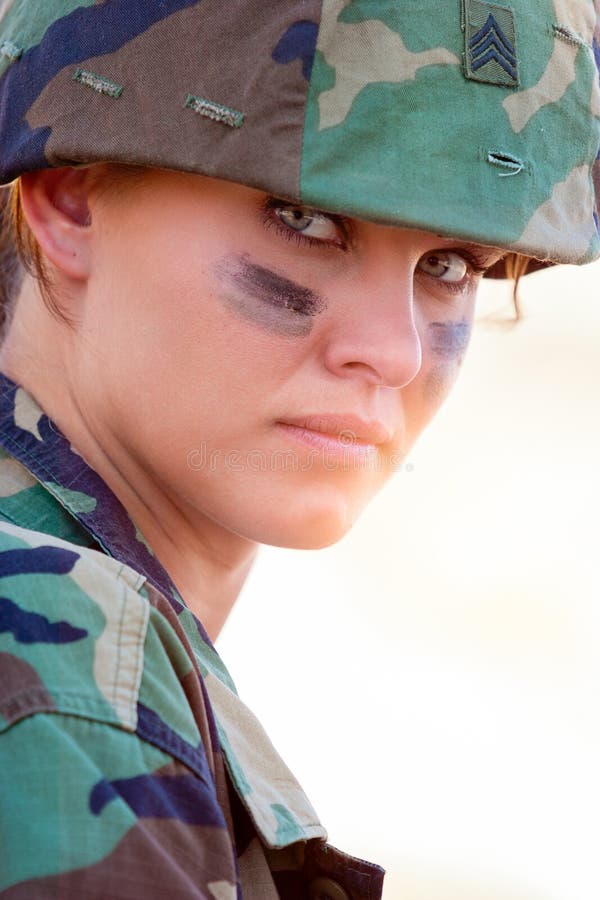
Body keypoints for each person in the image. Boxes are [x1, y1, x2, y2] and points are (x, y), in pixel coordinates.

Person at [0, 1, 598, 897]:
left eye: (450, 264)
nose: (393, 353)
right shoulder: (60, 658)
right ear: (71, 200)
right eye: (306, 219)